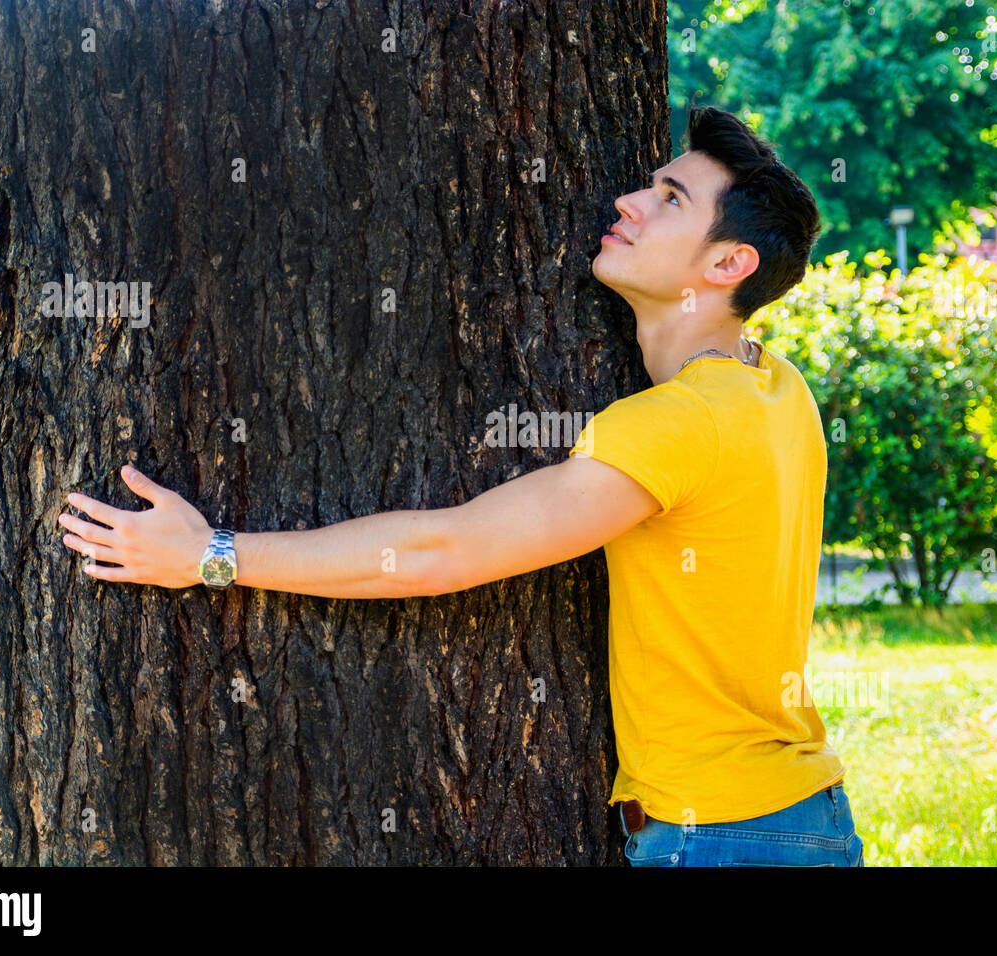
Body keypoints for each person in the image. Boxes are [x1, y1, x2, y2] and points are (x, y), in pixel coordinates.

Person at [56, 105, 863, 867]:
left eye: (669, 197)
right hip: (793, 816)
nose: (628, 199)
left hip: (725, 836)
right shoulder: (775, 387)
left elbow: (439, 553)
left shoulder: (676, 422)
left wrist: (210, 554)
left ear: (729, 264)